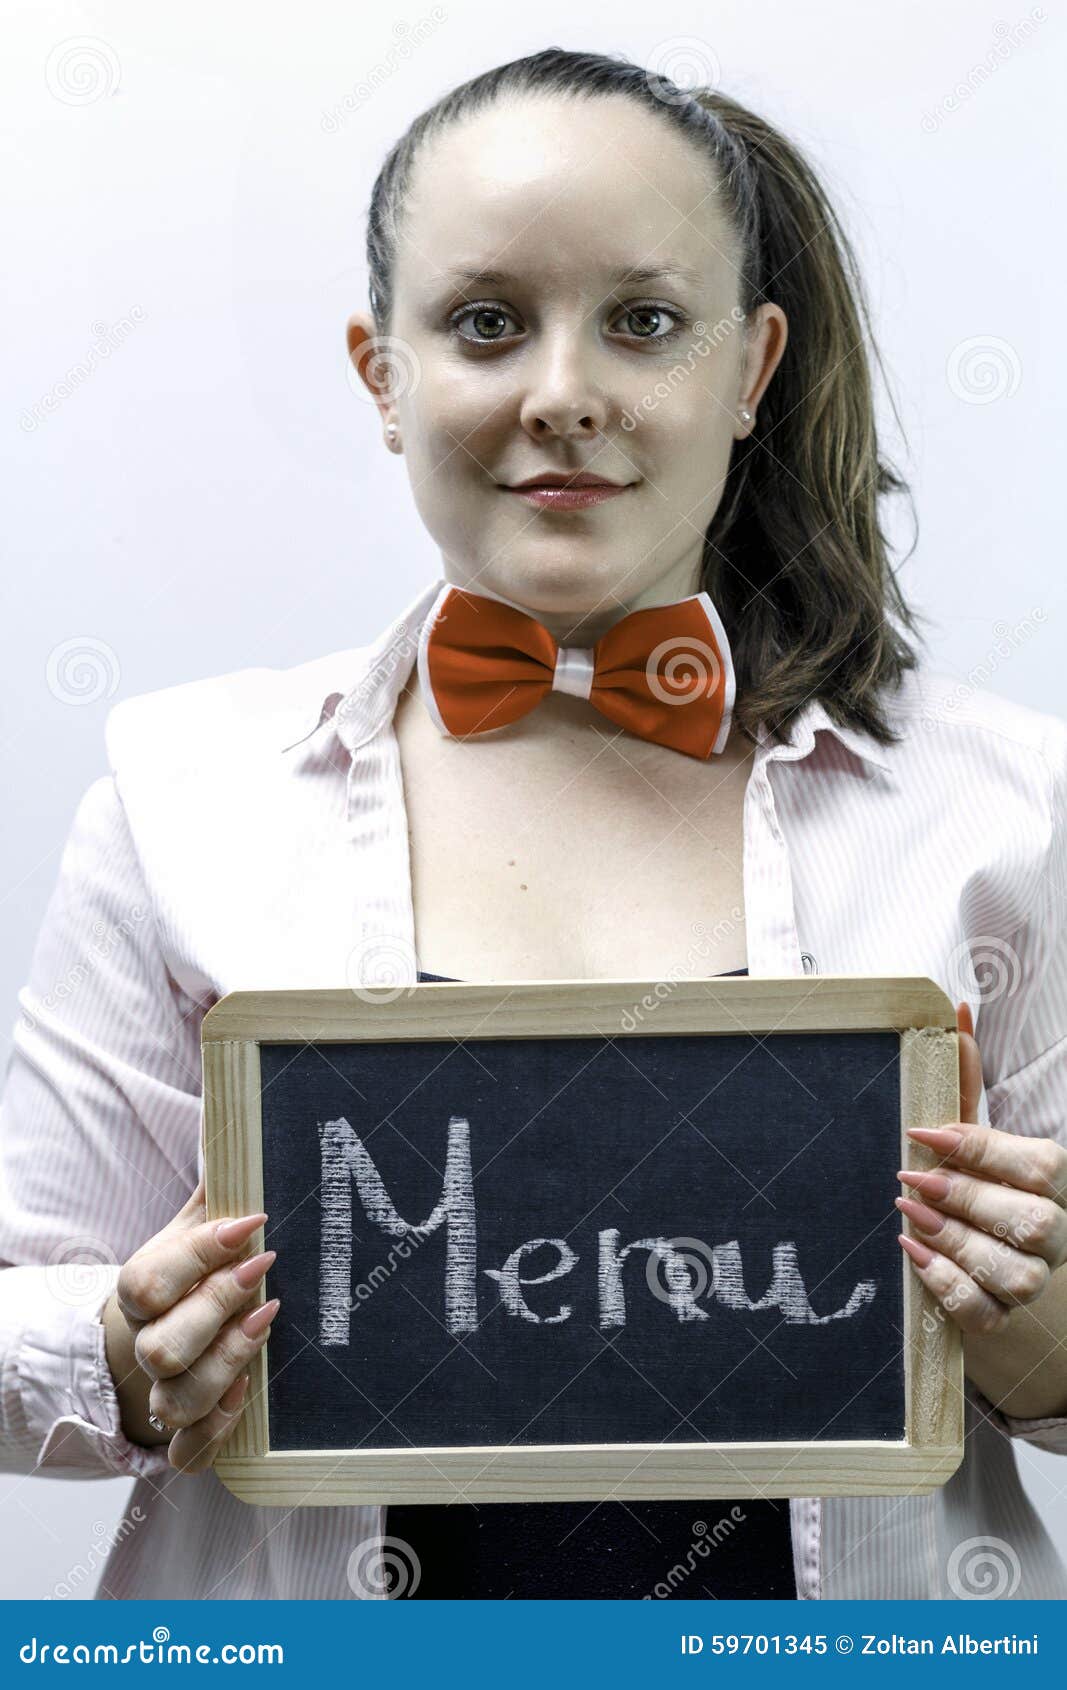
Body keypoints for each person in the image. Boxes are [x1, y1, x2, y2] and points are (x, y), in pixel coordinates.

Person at [2, 46, 1066, 1602]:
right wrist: (116, 1347)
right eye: (488, 322)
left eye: (644, 322)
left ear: (751, 369)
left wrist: (1049, 1344)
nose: (563, 394)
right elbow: (23, 1304)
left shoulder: (1004, 807)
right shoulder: (179, 799)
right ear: (383, 374)